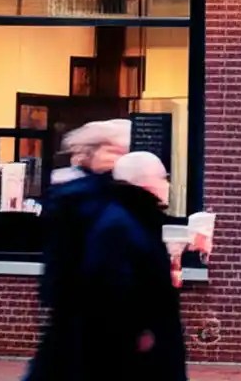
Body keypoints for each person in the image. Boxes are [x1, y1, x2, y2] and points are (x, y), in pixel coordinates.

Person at [25, 119, 130, 381]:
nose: (119, 158)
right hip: (82, 303)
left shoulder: (107, 192)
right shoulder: (80, 195)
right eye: (113, 151)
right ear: (90, 152)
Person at [77, 151, 186, 381]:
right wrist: (142, 335)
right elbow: (112, 289)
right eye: (163, 178)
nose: (166, 184)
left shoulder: (135, 219)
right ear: (145, 181)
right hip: (137, 359)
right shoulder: (123, 224)